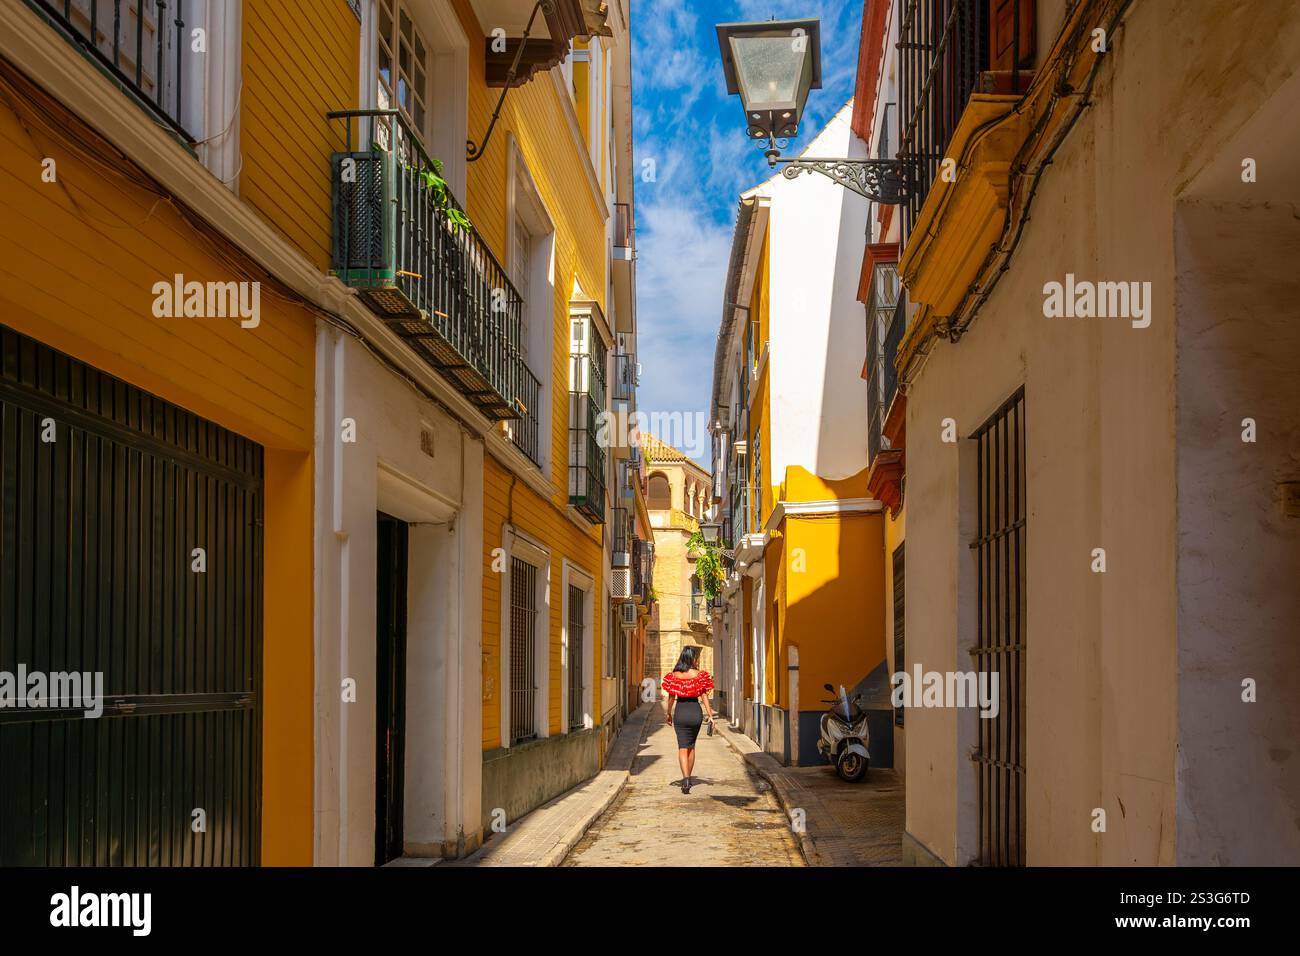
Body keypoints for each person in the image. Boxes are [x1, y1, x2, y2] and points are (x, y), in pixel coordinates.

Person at [662, 646, 715, 794]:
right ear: (692, 658)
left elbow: (671, 698)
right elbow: (704, 696)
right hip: (695, 713)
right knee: (691, 746)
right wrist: (710, 715)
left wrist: (668, 714)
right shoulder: (699, 675)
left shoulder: (674, 676)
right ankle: (689, 777)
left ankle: (685, 779)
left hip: (681, 712)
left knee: (682, 747)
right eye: (696, 657)